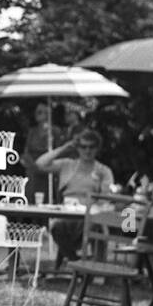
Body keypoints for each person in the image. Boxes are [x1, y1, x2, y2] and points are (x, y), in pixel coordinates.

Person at [36, 127, 116, 262]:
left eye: (91, 147)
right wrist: (64, 148)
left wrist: (94, 207)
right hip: (67, 213)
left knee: (98, 227)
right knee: (56, 226)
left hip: (90, 214)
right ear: (77, 148)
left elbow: (106, 198)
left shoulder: (103, 170)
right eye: (83, 147)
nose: (87, 151)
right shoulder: (67, 164)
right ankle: (75, 261)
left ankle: (97, 268)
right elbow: (40, 164)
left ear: (97, 148)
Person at [22, 102, 61, 200]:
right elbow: (26, 150)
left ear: (47, 114)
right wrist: (29, 162)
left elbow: (59, 151)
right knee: (31, 196)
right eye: (36, 112)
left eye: (39, 112)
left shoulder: (55, 131)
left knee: (47, 196)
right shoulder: (32, 131)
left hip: (47, 168)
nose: (36, 114)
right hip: (32, 168)